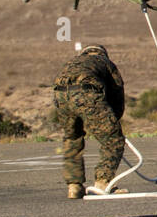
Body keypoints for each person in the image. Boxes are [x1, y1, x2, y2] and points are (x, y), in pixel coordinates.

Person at [53, 44, 126, 199]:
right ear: (103, 54)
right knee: (114, 139)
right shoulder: (106, 63)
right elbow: (117, 94)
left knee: (72, 138)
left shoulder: (74, 62)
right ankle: (103, 183)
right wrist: (113, 122)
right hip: (87, 93)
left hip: (61, 96)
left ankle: (74, 186)